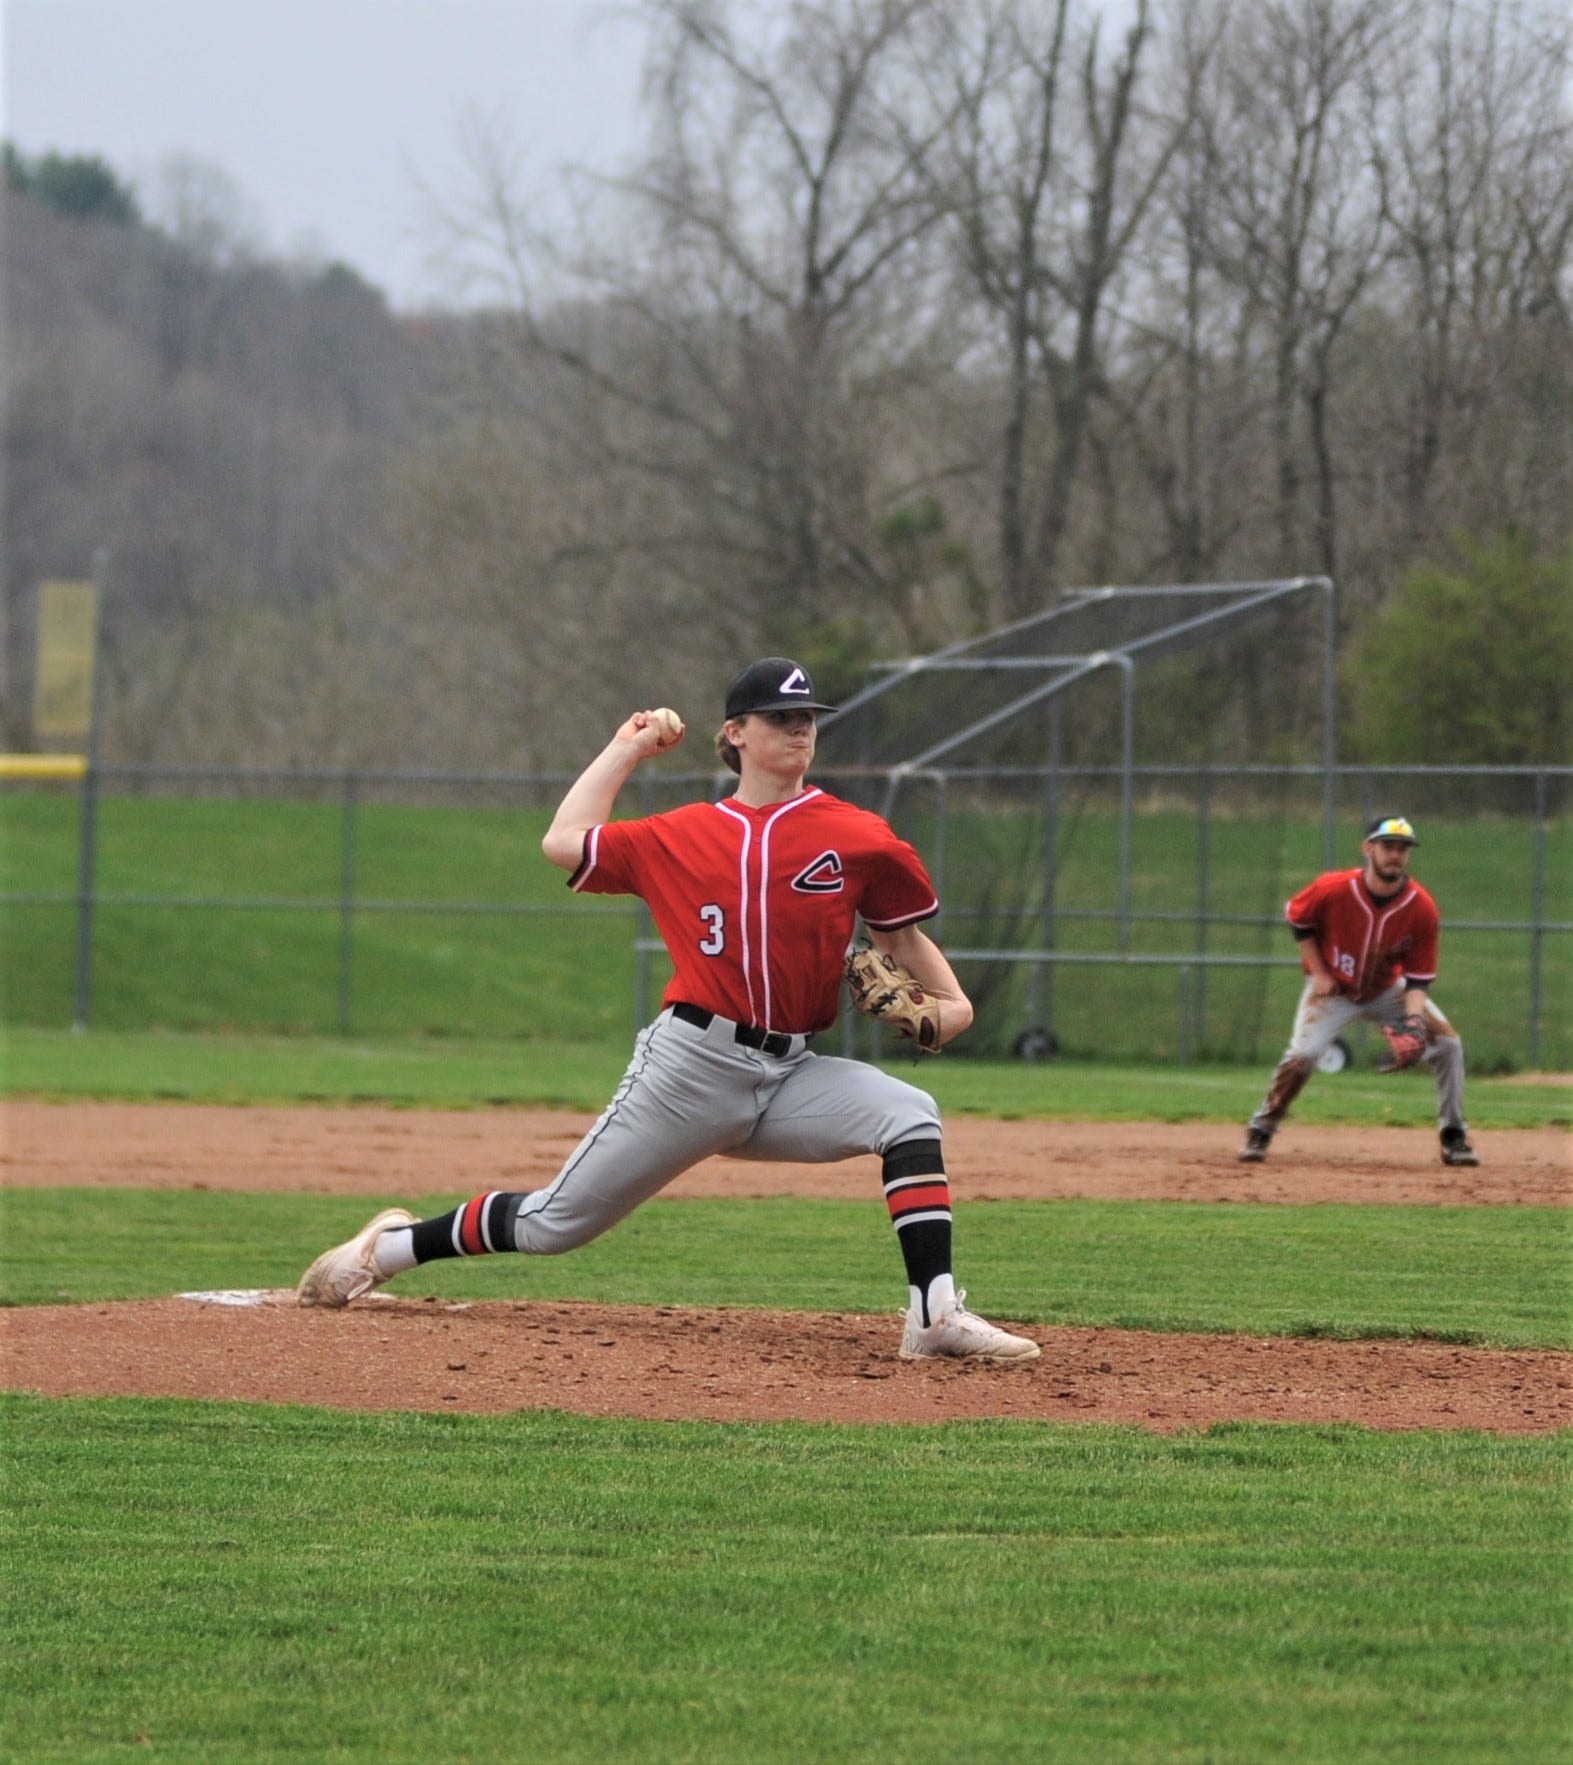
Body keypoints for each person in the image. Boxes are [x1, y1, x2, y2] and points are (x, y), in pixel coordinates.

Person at [297, 656, 1040, 1361]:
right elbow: (562, 841)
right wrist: (627, 748)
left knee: (908, 1113)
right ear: (735, 734)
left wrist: (954, 1005)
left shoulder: (855, 833)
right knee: (554, 1224)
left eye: (807, 714)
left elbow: (899, 935)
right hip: (690, 1068)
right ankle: (388, 1248)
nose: (799, 726)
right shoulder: (680, 833)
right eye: (779, 715)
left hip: (788, 1072)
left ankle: (932, 1313)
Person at [1238, 814, 1478, 1167]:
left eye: (1402, 848)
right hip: (1333, 991)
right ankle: (1262, 1127)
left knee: (1448, 1045)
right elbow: (1298, 918)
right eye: (1387, 846)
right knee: (1304, 1054)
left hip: (1385, 990)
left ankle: (1454, 1135)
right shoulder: (1333, 888)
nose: (1395, 854)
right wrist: (1318, 971)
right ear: (1368, 849)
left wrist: (1413, 1021)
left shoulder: (1421, 906)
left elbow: (1418, 978)